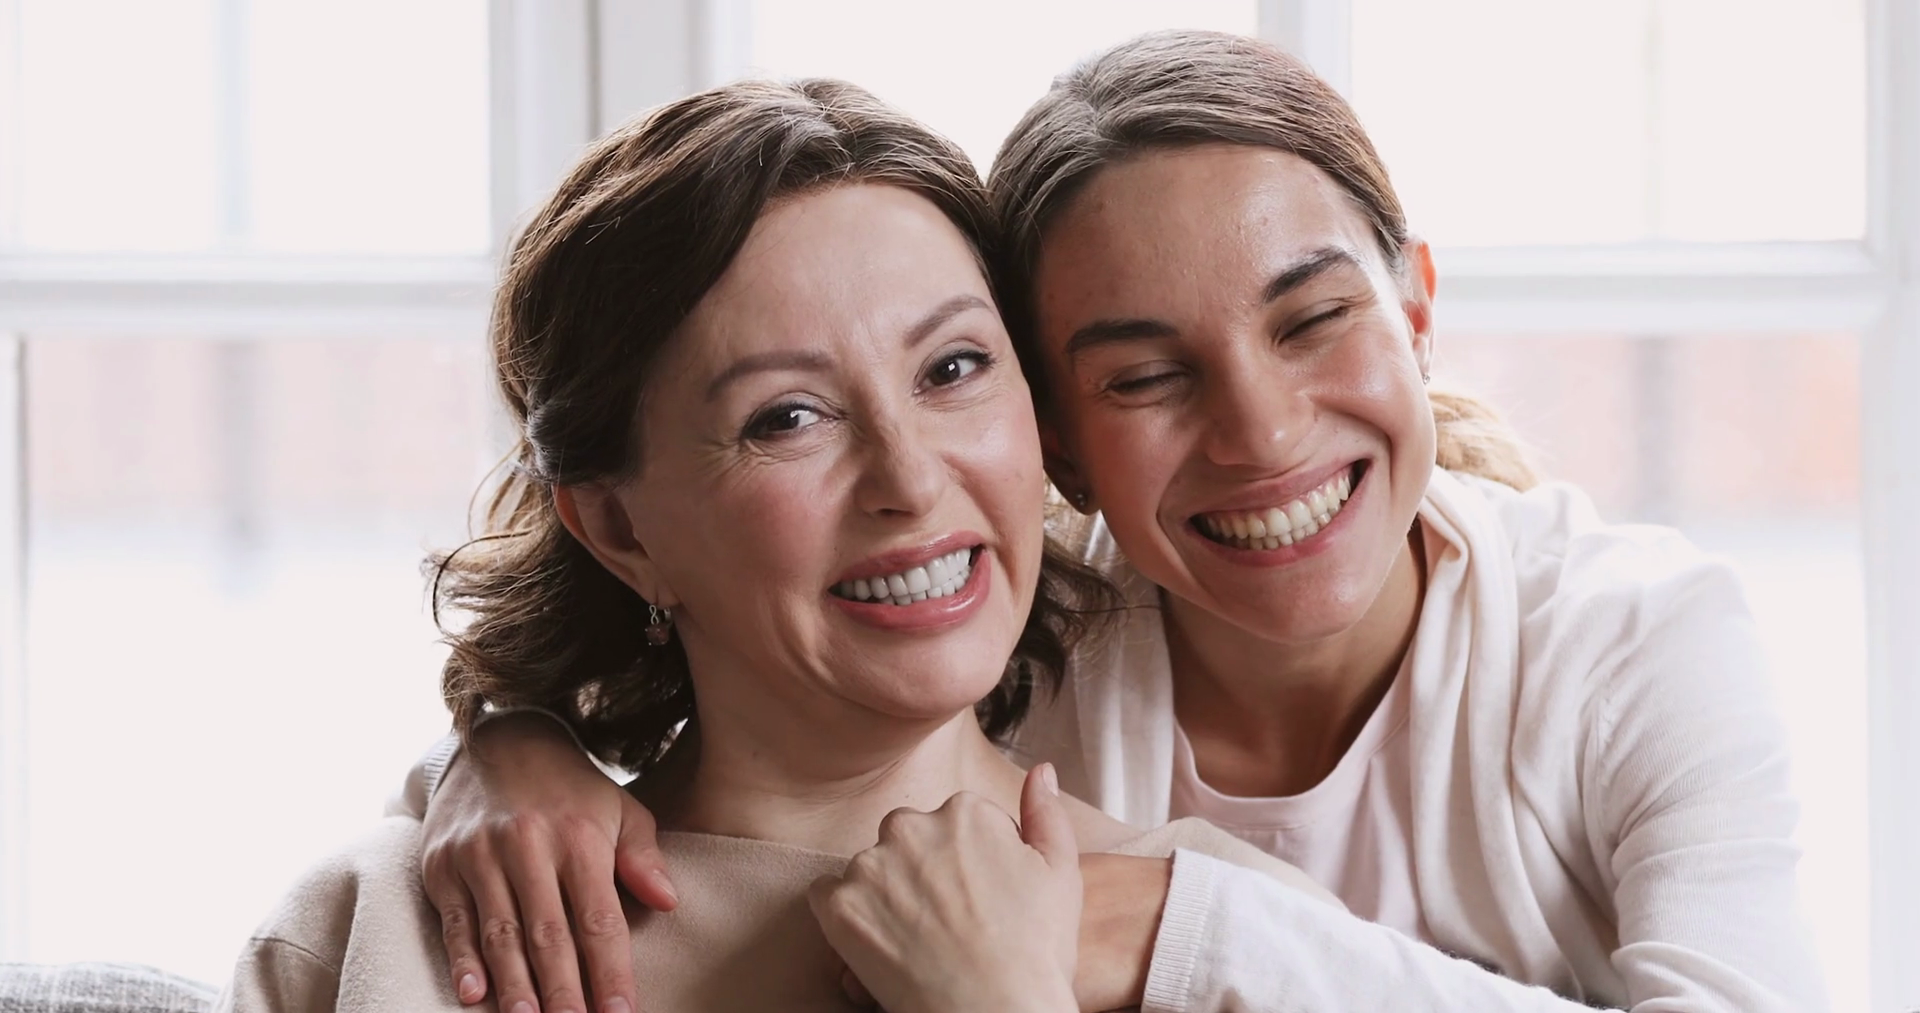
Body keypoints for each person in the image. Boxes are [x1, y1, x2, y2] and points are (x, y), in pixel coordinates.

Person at [412, 30, 1828, 1013]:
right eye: (1145, 376)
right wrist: (502, 754)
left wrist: (1172, 923)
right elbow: (753, 690)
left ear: (1415, 307)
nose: (1262, 432)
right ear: (1059, 445)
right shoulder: (1010, 631)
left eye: (1313, 319)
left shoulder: (1627, 642)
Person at [214, 76, 1337, 1013]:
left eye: (952, 368)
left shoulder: (1235, 941)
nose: (910, 479)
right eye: (786, 418)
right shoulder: (390, 939)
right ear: (619, 527)